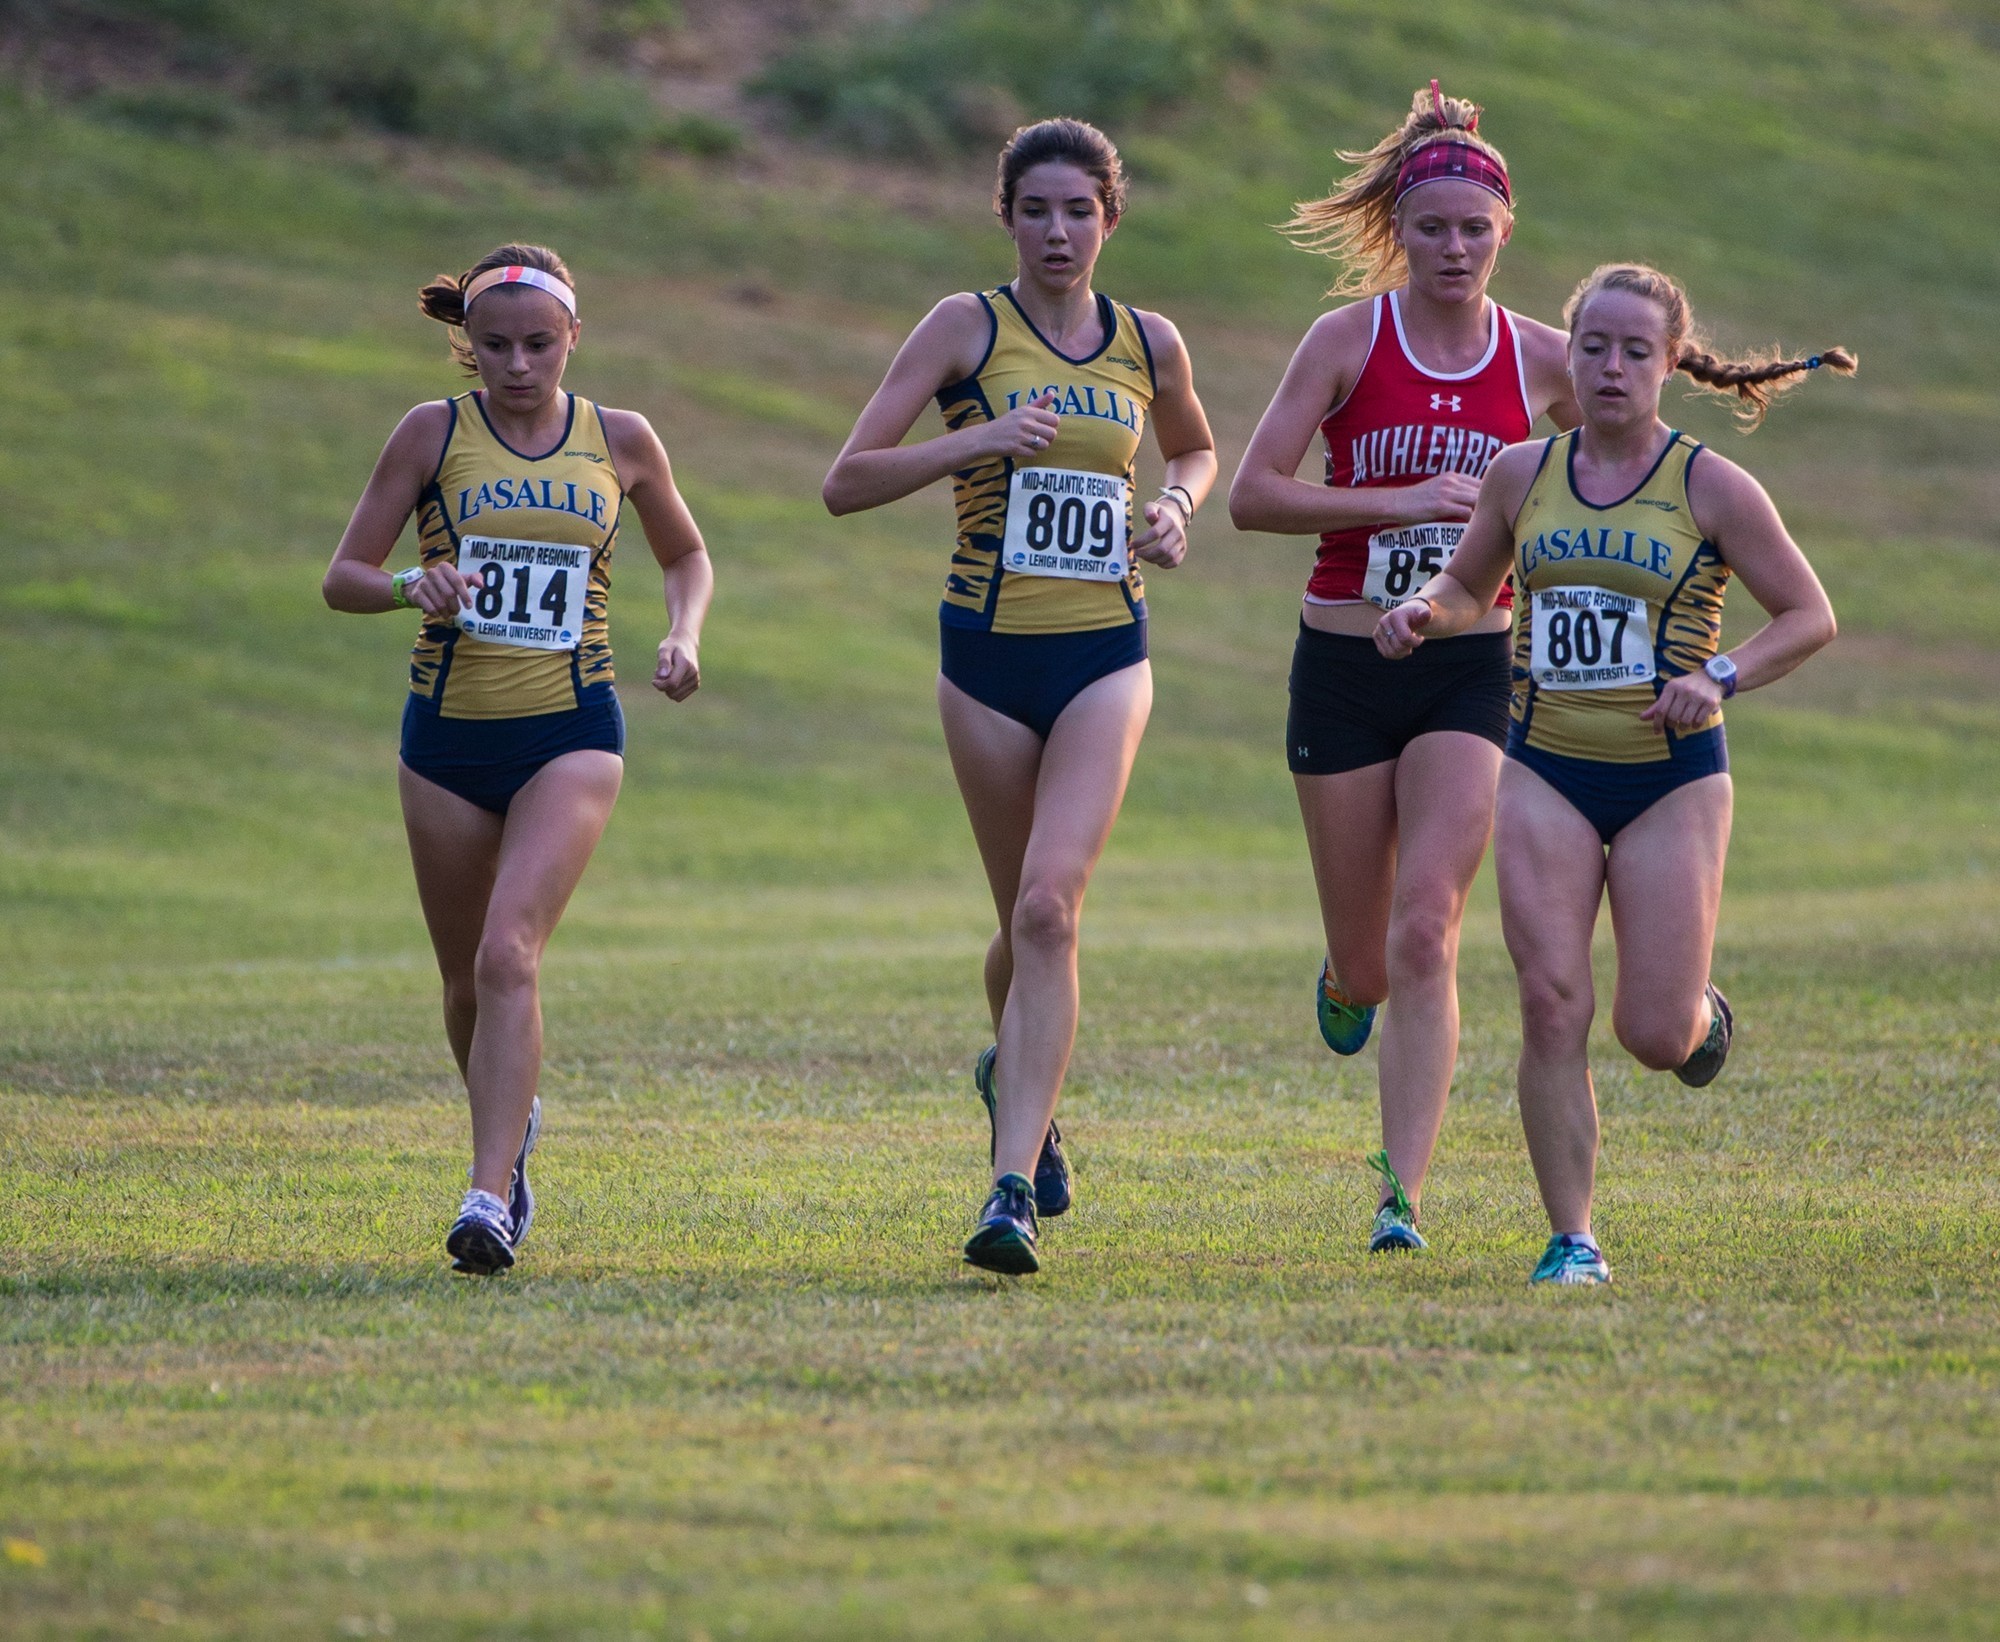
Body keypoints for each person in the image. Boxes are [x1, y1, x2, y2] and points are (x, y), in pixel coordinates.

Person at [1376, 262, 1848, 1283]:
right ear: (1571, 354)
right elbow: (1469, 584)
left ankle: (1699, 1016)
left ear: (1669, 362)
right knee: (1551, 1002)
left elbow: (1809, 615)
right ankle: (1572, 1238)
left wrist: (1717, 676)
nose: (1610, 368)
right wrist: (1424, 610)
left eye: (1635, 351)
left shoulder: (1710, 486)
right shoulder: (1521, 473)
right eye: (1592, 347)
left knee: (1651, 1032)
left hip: (1668, 778)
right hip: (1543, 765)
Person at [823, 118, 1217, 1275]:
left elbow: (1195, 451)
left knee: (1050, 910)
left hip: (1106, 655)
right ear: (1005, 216)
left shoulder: (1148, 340)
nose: (1057, 231)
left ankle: (1008, 1187)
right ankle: (1017, 1073)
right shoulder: (964, 327)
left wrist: (1175, 507)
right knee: (1018, 925)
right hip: (986, 662)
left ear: (1109, 219)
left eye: (1078, 211)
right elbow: (846, 480)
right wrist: (976, 440)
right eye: (1035, 210)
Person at [1228, 84, 1579, 1252]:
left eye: (1474, 229)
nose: (1452, 249)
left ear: (1504, 233)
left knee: (1427, 929)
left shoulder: (1542, 362)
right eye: (1430, 227)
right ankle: (1343, 979)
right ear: (1398, 228)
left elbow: (1604, 484)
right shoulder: (1345, 341)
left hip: (1467, 669)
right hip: (1341, 668)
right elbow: (1251, 494)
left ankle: (1400, 1199)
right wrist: (1398, 500)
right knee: (1369, 960)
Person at [322, 243, 713, 1275]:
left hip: (569, 732)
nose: (518, 365)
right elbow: (343, 575)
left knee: (509, 954)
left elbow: (686, 552)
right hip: (445, 742)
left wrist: (684, 633)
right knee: (464, 984)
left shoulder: (621, 439)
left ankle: (486, 1197)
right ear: (469, 342)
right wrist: (410, 586)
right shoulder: (431, 432)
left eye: (539, 344)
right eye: (495, 346)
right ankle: (512, 1119)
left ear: (573, 335)